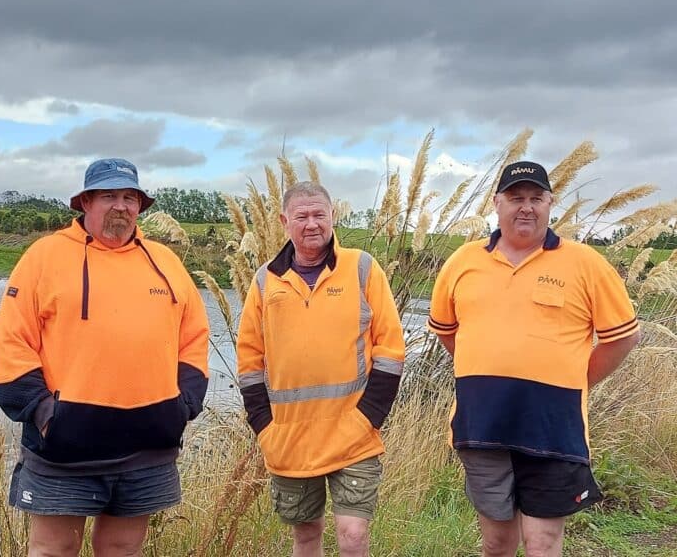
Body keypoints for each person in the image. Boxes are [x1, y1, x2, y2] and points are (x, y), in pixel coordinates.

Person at [0, 158, 209, 556]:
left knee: (123, 548)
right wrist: (42, 412)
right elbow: (11, 341)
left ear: (140, 206)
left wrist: (184, 404)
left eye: (130, 197)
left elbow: (194, 335)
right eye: (109, 196)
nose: (121, 206)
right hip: (64, 446)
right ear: (86, 202)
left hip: (148, 444)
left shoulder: (166, 262)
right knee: (53, 550)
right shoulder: (44, 257)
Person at [427, 161, 640, 557]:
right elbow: (446, 330)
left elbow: (624, 337)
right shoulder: (462, 262)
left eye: (535, 198)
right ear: (496, 204)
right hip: (482, 424)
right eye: (515, 198)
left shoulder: (586, 263)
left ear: (550, 203)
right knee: (496, 543)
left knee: (543, 543)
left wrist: (575, 380)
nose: (526, 207)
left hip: (553, 426)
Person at [237, 181, 405, 557]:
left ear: (332, 218)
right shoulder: (265, 280)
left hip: (354, 436)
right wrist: (265, 426)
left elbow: (391, 350)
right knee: (306, 536)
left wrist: (368, 418)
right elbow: (249, 360)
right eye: (302, 216)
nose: (312, 224)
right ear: (285, 221)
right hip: (289, 439)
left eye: (319, 215)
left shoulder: (362, 268)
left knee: (353, 535)